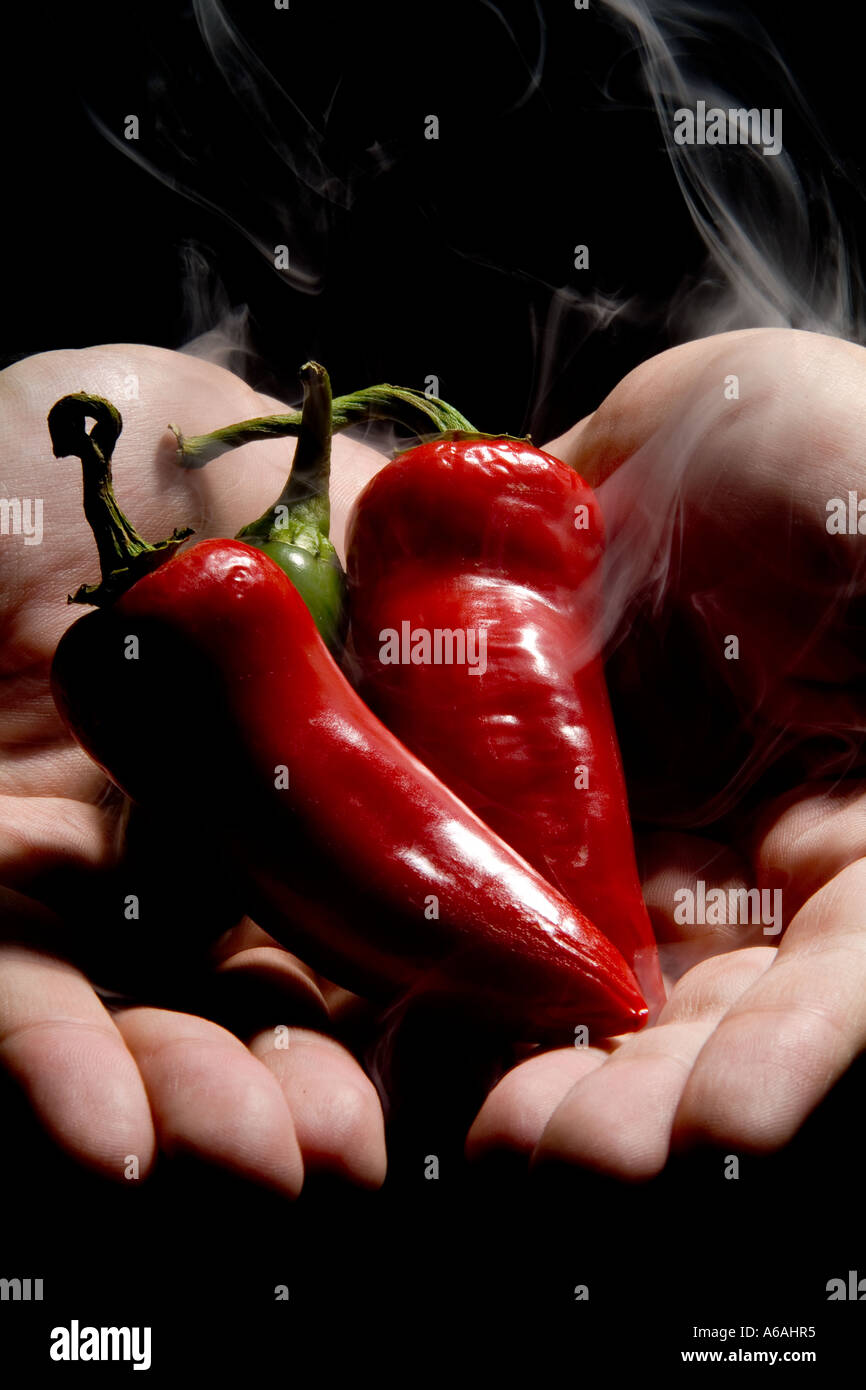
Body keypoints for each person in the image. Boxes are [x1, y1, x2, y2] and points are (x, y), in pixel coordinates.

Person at [2, 327, 863, 1189]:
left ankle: (596, 984)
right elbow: (296, 792)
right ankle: (597, 985)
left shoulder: (218, 604)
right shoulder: (196, 614)